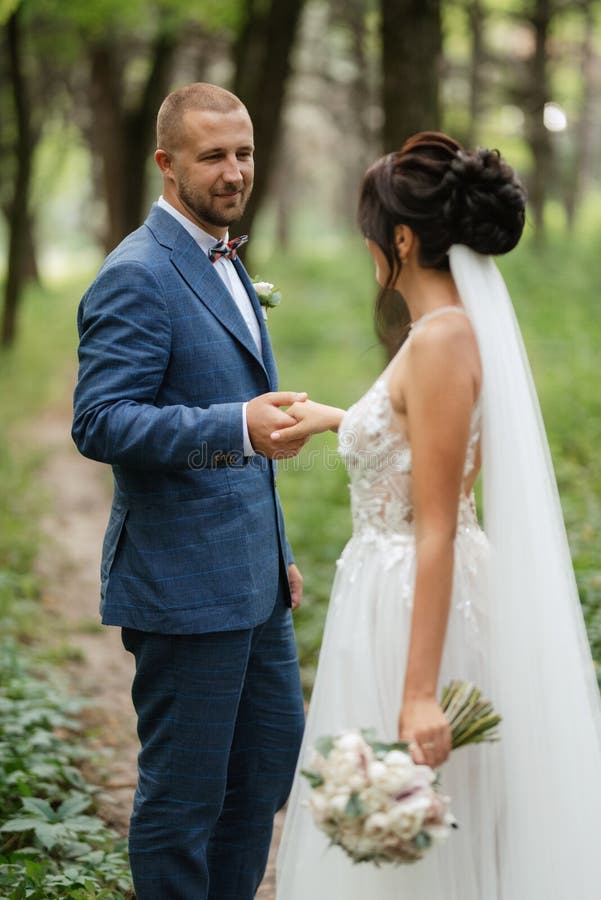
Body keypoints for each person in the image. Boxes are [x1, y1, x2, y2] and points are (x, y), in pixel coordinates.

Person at [274, 132, 601, 899]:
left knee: (419, 838)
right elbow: (412, 440)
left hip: (414, 603)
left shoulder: (443, 340)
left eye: (367, 233)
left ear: (399, 238)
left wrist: (419, 691)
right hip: (387, 589)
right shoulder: (440, 335)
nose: (365, 248)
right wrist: (334, 419)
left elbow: (438, 521)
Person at [72, 82, 307, 900]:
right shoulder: (137, 273)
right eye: (213, 156)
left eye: (242, 152)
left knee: (267, 768)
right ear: (167, 163)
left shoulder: (225, 254)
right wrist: (234, 425)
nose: (234, 171)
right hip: (181, 584)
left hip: (254, 583)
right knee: (185, 797)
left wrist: (278, 553)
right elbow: (100, 422)